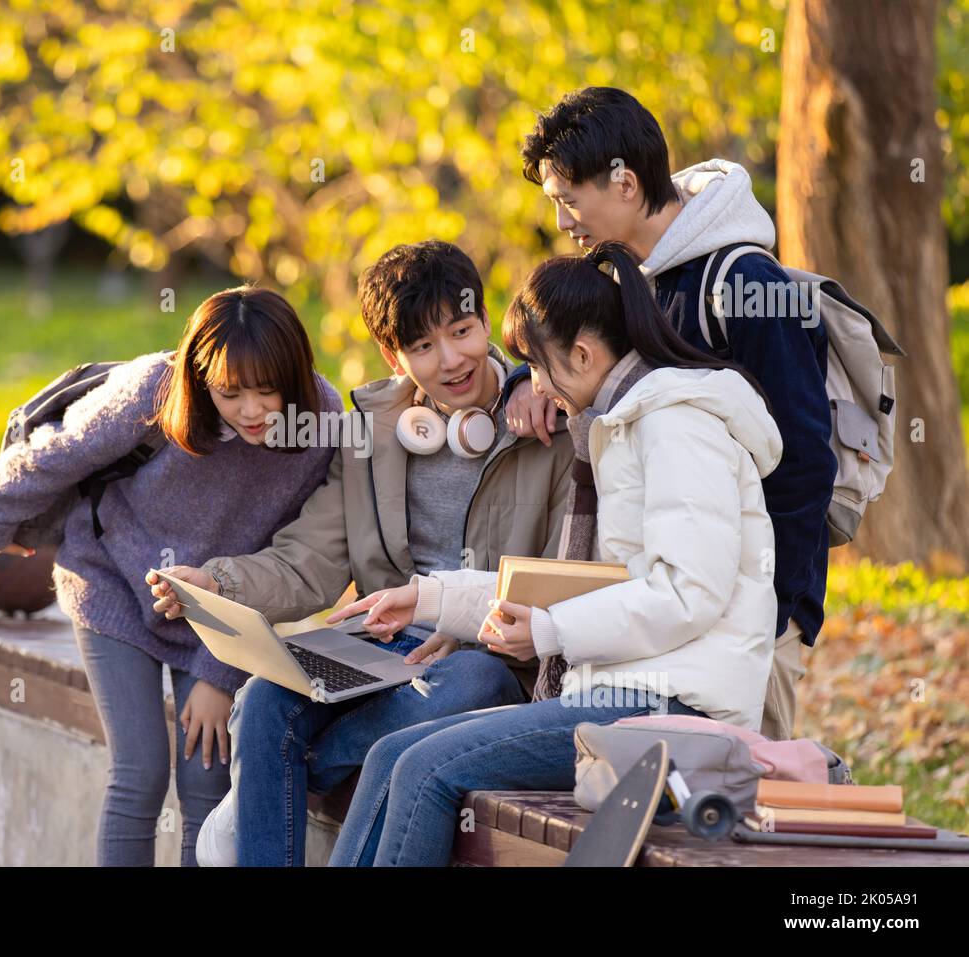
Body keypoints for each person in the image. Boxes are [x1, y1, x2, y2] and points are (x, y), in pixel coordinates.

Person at [328, 240, 781, 866]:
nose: (533, 388)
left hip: (672, 703)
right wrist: (428, 598)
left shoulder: (677, 427)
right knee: (393, 755)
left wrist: (550, 630)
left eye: (537, 368)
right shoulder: (619, 428)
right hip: (617, 691)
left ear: (584, 354)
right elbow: (581, 583)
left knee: (427, 768)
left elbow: (686, 593)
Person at [149, 240, 575, 866]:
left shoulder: (545, 427)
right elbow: (308, 561)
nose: (451, 360)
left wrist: (464, 630)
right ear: (391, 355)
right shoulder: (367, 437)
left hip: (482, 657)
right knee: (266, 699)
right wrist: (217, 582)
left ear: (485, 323)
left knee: (472, 684)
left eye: (462, 331)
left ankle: (267, 783)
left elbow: (559, 578)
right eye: (423, 347)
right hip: (378, 643)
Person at [0, 286, 341, 866]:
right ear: (201, 375)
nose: (253, 410)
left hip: (215, 611)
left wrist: (218, 672)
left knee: (206, 780)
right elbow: (60, 450)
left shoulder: (321, 423)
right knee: (138, 771)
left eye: (269, 390)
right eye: (231, 392)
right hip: (110, 579)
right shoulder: (154, 389)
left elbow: (286, 559)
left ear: (297, 373)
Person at [502, 87, 834, 740]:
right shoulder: (634, 279)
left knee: (732, 819)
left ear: (623, 182)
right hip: (661, 605)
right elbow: (588, 350)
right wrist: (527, 377)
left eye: (569, 200)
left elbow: (803, 462)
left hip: (748, 612)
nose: (564, 222)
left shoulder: (744, 285)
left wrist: (771, 615)